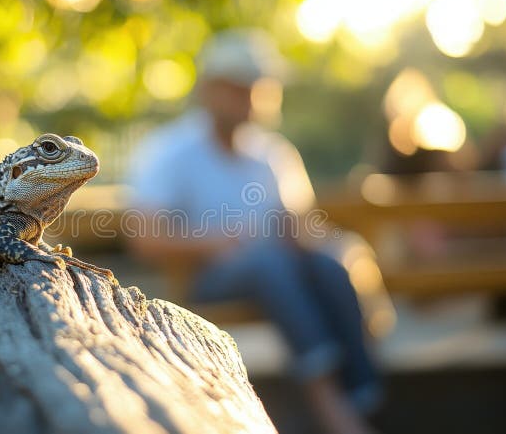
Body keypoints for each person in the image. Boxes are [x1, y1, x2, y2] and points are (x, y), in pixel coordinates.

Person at [127, 30, 379, 433]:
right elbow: (145, 239)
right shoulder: (169, 151)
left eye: (258, 86)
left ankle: (362, 398)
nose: (252, 96)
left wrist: (341, 250)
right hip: (207, 281)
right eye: (240, 86)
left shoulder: (273, 153)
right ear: (210, 89)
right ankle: (332, 405)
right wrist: (214, 243)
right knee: (266, 264)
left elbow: (299, 227)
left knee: (331, 266)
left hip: (279, 276)